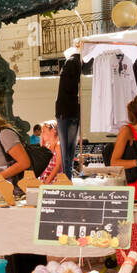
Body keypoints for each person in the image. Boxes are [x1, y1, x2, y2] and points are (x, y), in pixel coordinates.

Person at [56, 46, 82, 179]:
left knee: (66, 147)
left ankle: (67, 177)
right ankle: (68, 175)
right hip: (73, 110)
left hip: (64, 111)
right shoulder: (78, 63)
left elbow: (66, 88)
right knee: (70, 147)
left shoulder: (70, 62)